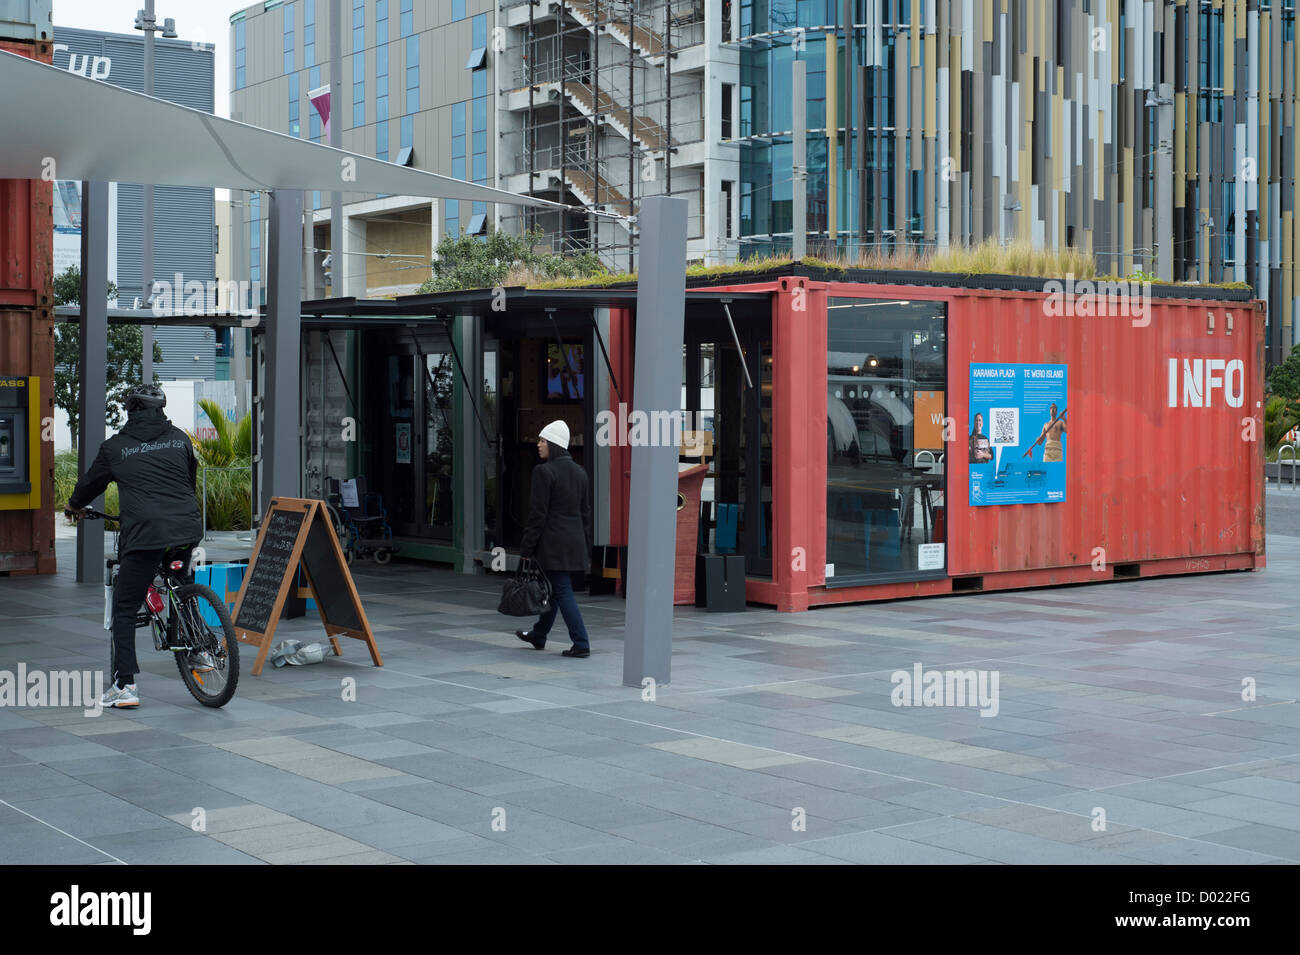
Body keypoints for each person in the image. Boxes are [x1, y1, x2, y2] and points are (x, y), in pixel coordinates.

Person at [64, 383, 205, 708]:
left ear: (130, 411)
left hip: (143, 535)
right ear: (161, 409)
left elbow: (89, 485)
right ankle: (200, 652)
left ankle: (124, 686)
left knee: (125, 608)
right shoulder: (180, 438)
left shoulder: (116, 447)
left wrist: (73, 506)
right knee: (183, 583)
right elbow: (189, 477)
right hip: (186, 527)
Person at [514, 420, 592, 657]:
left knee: (562, 591)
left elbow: (537, 515)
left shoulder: (544, 472)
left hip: (553, 544)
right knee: (556, 590)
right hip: (574, 542)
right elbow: (585, 513)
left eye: (543, 440)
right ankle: (539, 634)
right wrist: (586, 546)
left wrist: (527, 548)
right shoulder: (580, 473)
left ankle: (581, 643)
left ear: (555, 444)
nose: (538, 445)